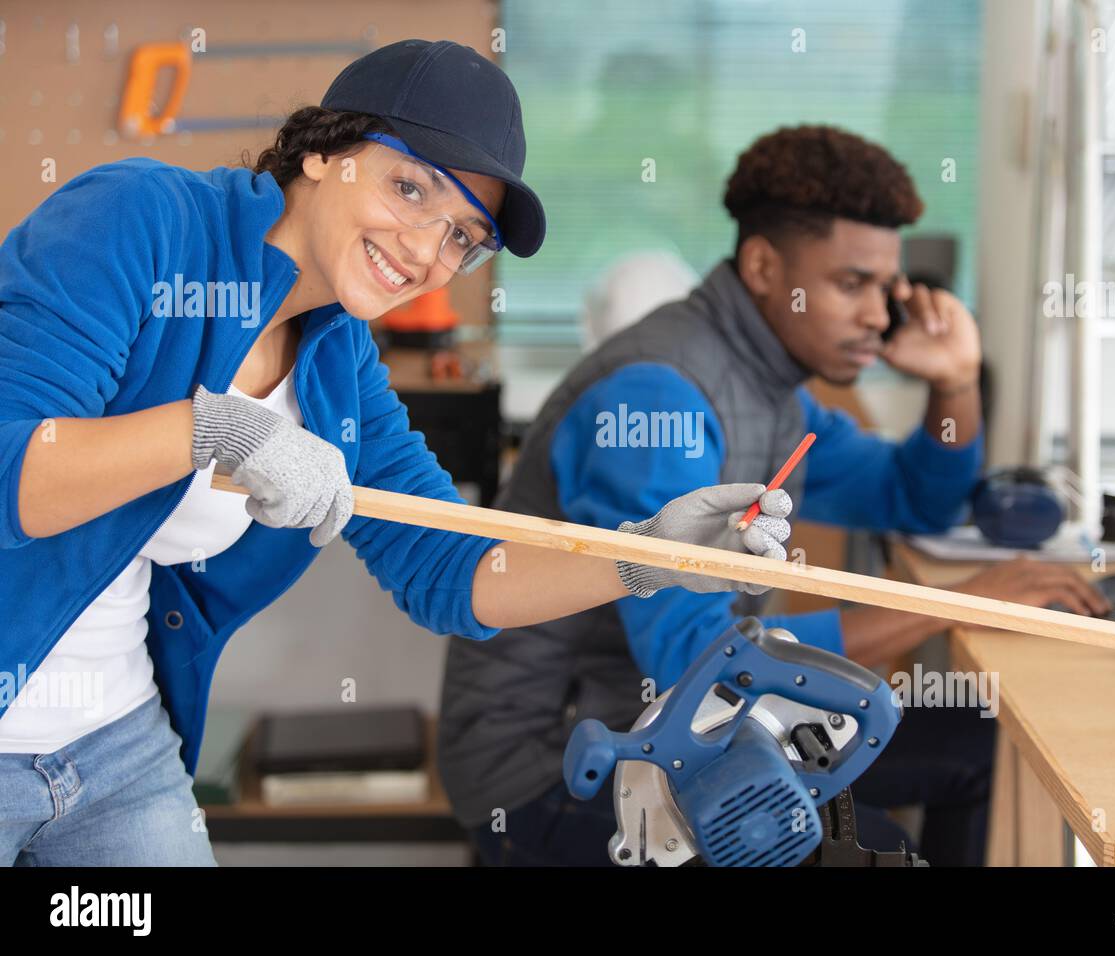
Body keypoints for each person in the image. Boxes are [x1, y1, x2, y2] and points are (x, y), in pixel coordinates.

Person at [0, 40, 793, 866]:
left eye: (462, 236)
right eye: (409, 188)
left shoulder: (338, 362)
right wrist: (215, 430)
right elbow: (11, 469)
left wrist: (645, 557)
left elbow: (451, 569)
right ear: (321, 150)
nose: (425, 252)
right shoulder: (140, 221)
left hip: (114, 742)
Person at [439, 125, 1110, 867]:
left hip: (715, 727)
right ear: (763, 266)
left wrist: (953, 382)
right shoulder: (658, 395)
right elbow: (700, 658)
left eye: (886, 288)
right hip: (573, 768)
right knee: (883, 853)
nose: (879, 315)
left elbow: (915, 497)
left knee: (980, 747)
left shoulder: (770, 387)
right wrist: (964, 600)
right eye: (850, 285)